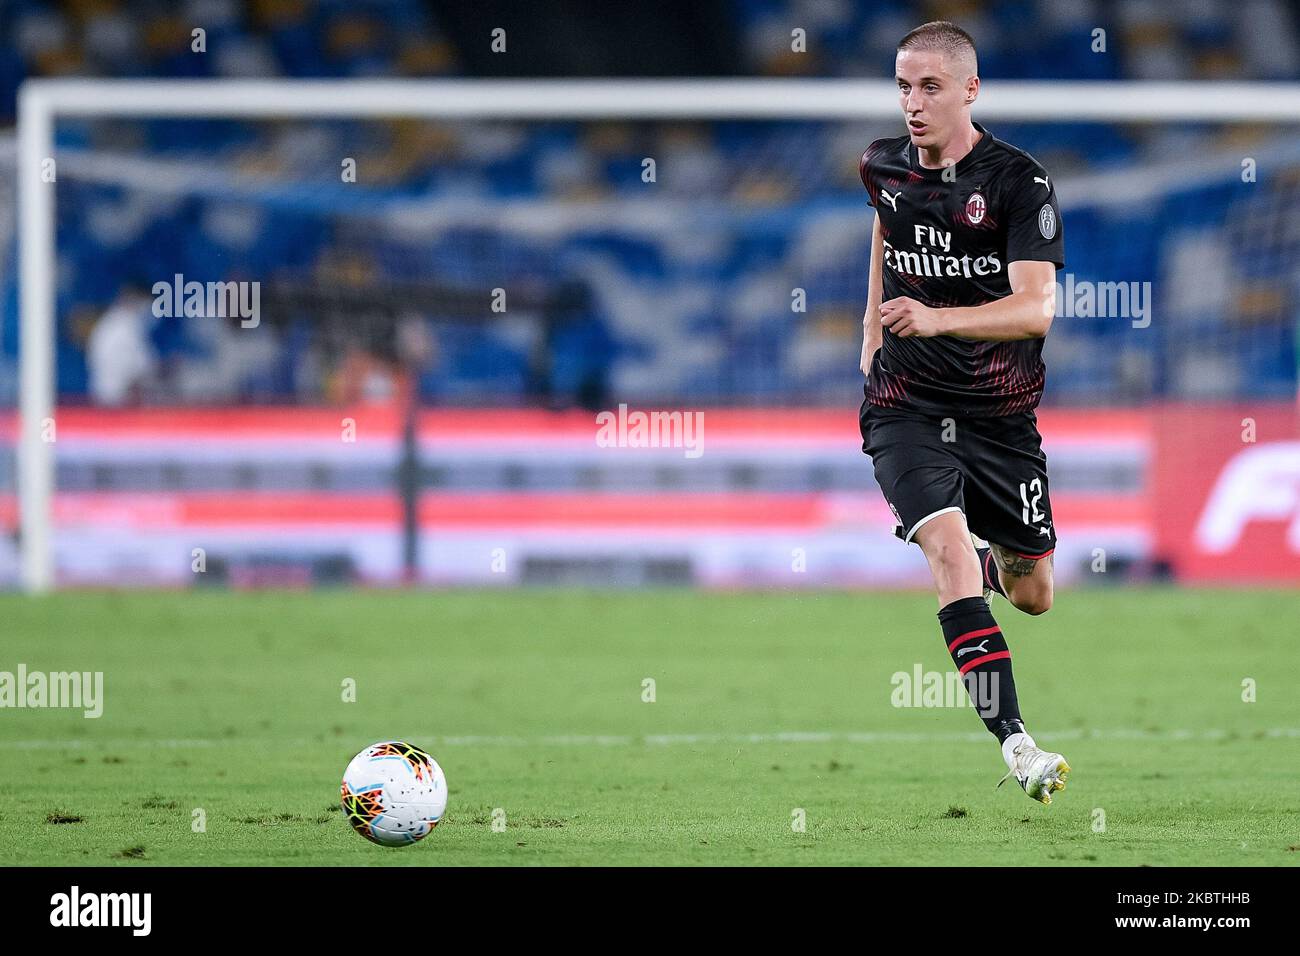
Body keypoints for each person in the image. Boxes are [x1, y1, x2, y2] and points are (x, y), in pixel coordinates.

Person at [858, 21, 1069, 804]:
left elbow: (1036, 309)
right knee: (946, 553)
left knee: (1034, 592)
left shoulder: (1020, 181)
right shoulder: (881, 164)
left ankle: (992, 558)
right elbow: (885, 225)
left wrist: (939, 317)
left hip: (1000, 418)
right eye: (904, 87)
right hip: (904, 406)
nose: (913, 103)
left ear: (970, 89)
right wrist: (871, 328)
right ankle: (1017, 743)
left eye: (931, 87)